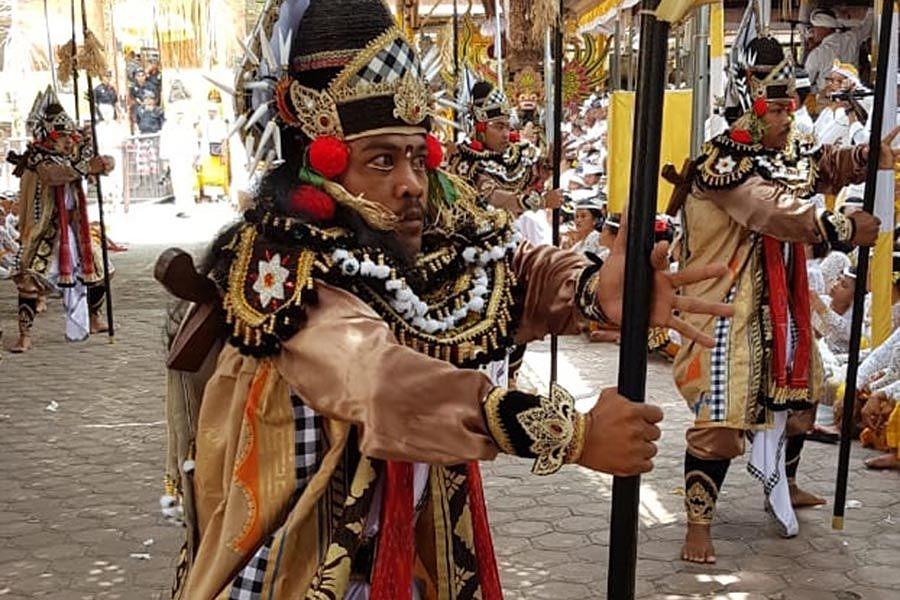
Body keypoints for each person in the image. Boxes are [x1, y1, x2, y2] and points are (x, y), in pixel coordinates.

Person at [159, 1, 732, 597]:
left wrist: (592, 289)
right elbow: (379, 379)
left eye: (416, 155)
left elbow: (508, 273)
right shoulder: (287, 264)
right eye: (381, 160)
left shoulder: (420, 234)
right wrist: (571, 434)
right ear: (319, 164)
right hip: (306, 561)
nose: (410, 181)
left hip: (412, 542)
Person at [672, 37, 894, 564]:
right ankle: (698, 526)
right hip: (729, 305)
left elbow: (823, 168)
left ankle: (785, 487)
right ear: (749, 106)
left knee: (802, 401)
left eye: (789, 105)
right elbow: (767, 210)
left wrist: (864, 157)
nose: (785, 116)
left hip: (786, 298)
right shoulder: (724, 159)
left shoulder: (791, 147)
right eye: (774, 108)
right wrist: (840, 225)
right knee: (721, 424)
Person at [7, 87, 115, 353]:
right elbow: (54, 176)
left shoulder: (72, 155)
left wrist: (103, 162)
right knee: (29, 280)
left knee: (100, 271)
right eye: (62, 137)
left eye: (70, 136)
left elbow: (94, 165)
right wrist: (87, 167)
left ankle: (94, 318)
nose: (68, 142)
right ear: (48, 136)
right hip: (45, 229)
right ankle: (25, 336)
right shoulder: (37, 156)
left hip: (73, 228)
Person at [448, 81, 563, 216]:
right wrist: (540, 202)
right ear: (480, 129)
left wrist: (549, 164)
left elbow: (533, 176)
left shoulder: (515, 153)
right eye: (499, 126)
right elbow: (492, 196)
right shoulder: (466, 160)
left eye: (508, 127)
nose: (506, 134)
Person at [805, 8, 873, 94]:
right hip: (851, 97)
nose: (812, 32)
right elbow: (867, 27)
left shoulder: (817, 53)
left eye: (815, 28)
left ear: (824, 28)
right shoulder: (851, 38)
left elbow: (805, 82)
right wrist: (871, 10)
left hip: (827, 101)